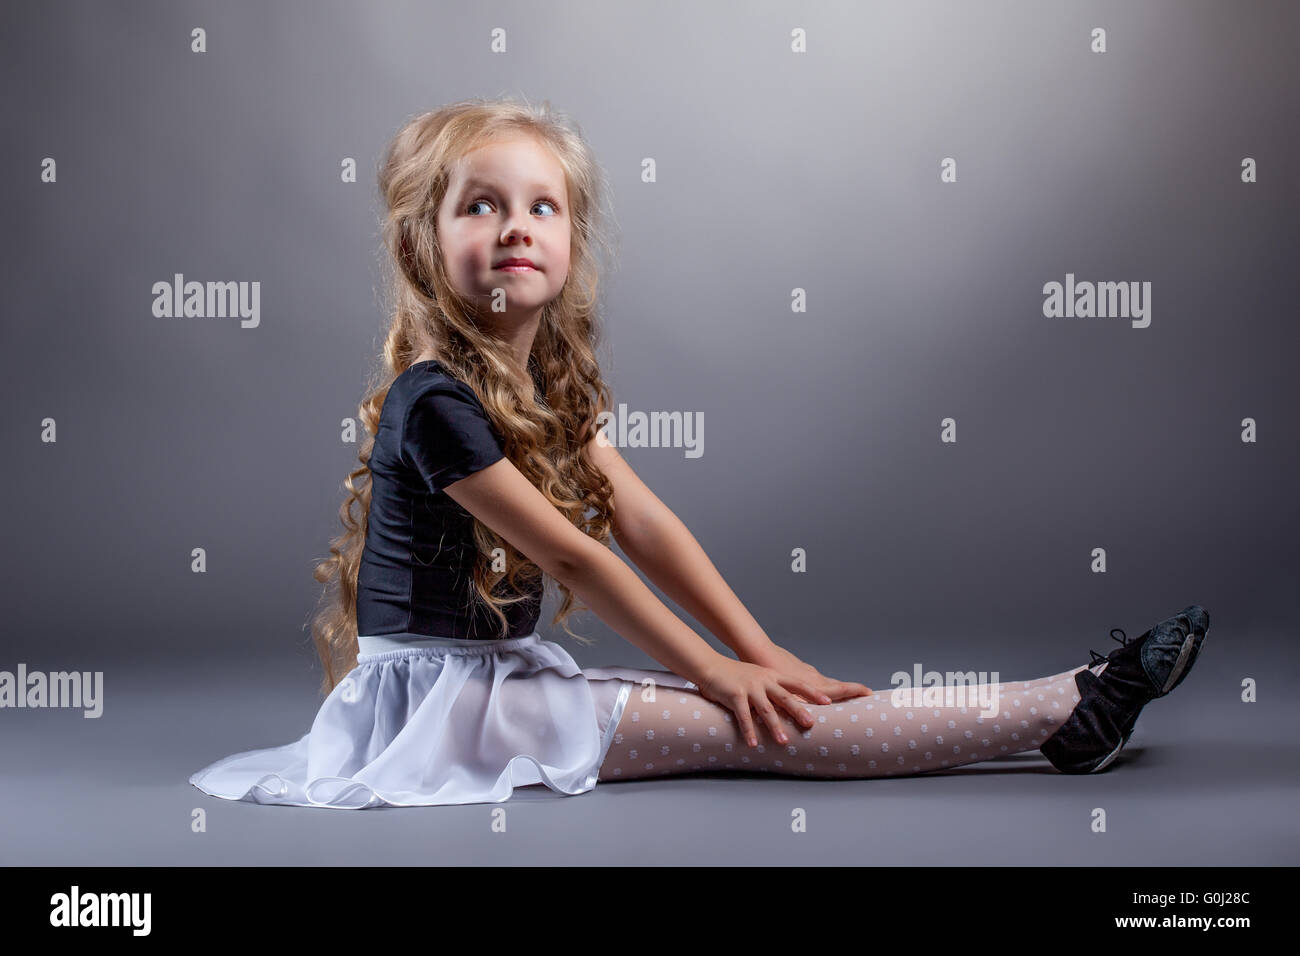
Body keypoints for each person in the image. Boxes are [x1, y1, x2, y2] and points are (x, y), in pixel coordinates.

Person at [188, 97, 1210, 809]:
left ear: (572, 244)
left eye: (541, 205)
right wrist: (721, 677)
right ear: (423, 246)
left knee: (768, 700)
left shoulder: (539, 387)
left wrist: (756, 650)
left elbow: (642, 523)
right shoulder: (432, 401)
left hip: (491, 681)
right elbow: (578, 559)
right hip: (445, 706)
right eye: (480, 205)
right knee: (760, 730)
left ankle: (1070, 702)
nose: (514, 228)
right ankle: (1072, 702)